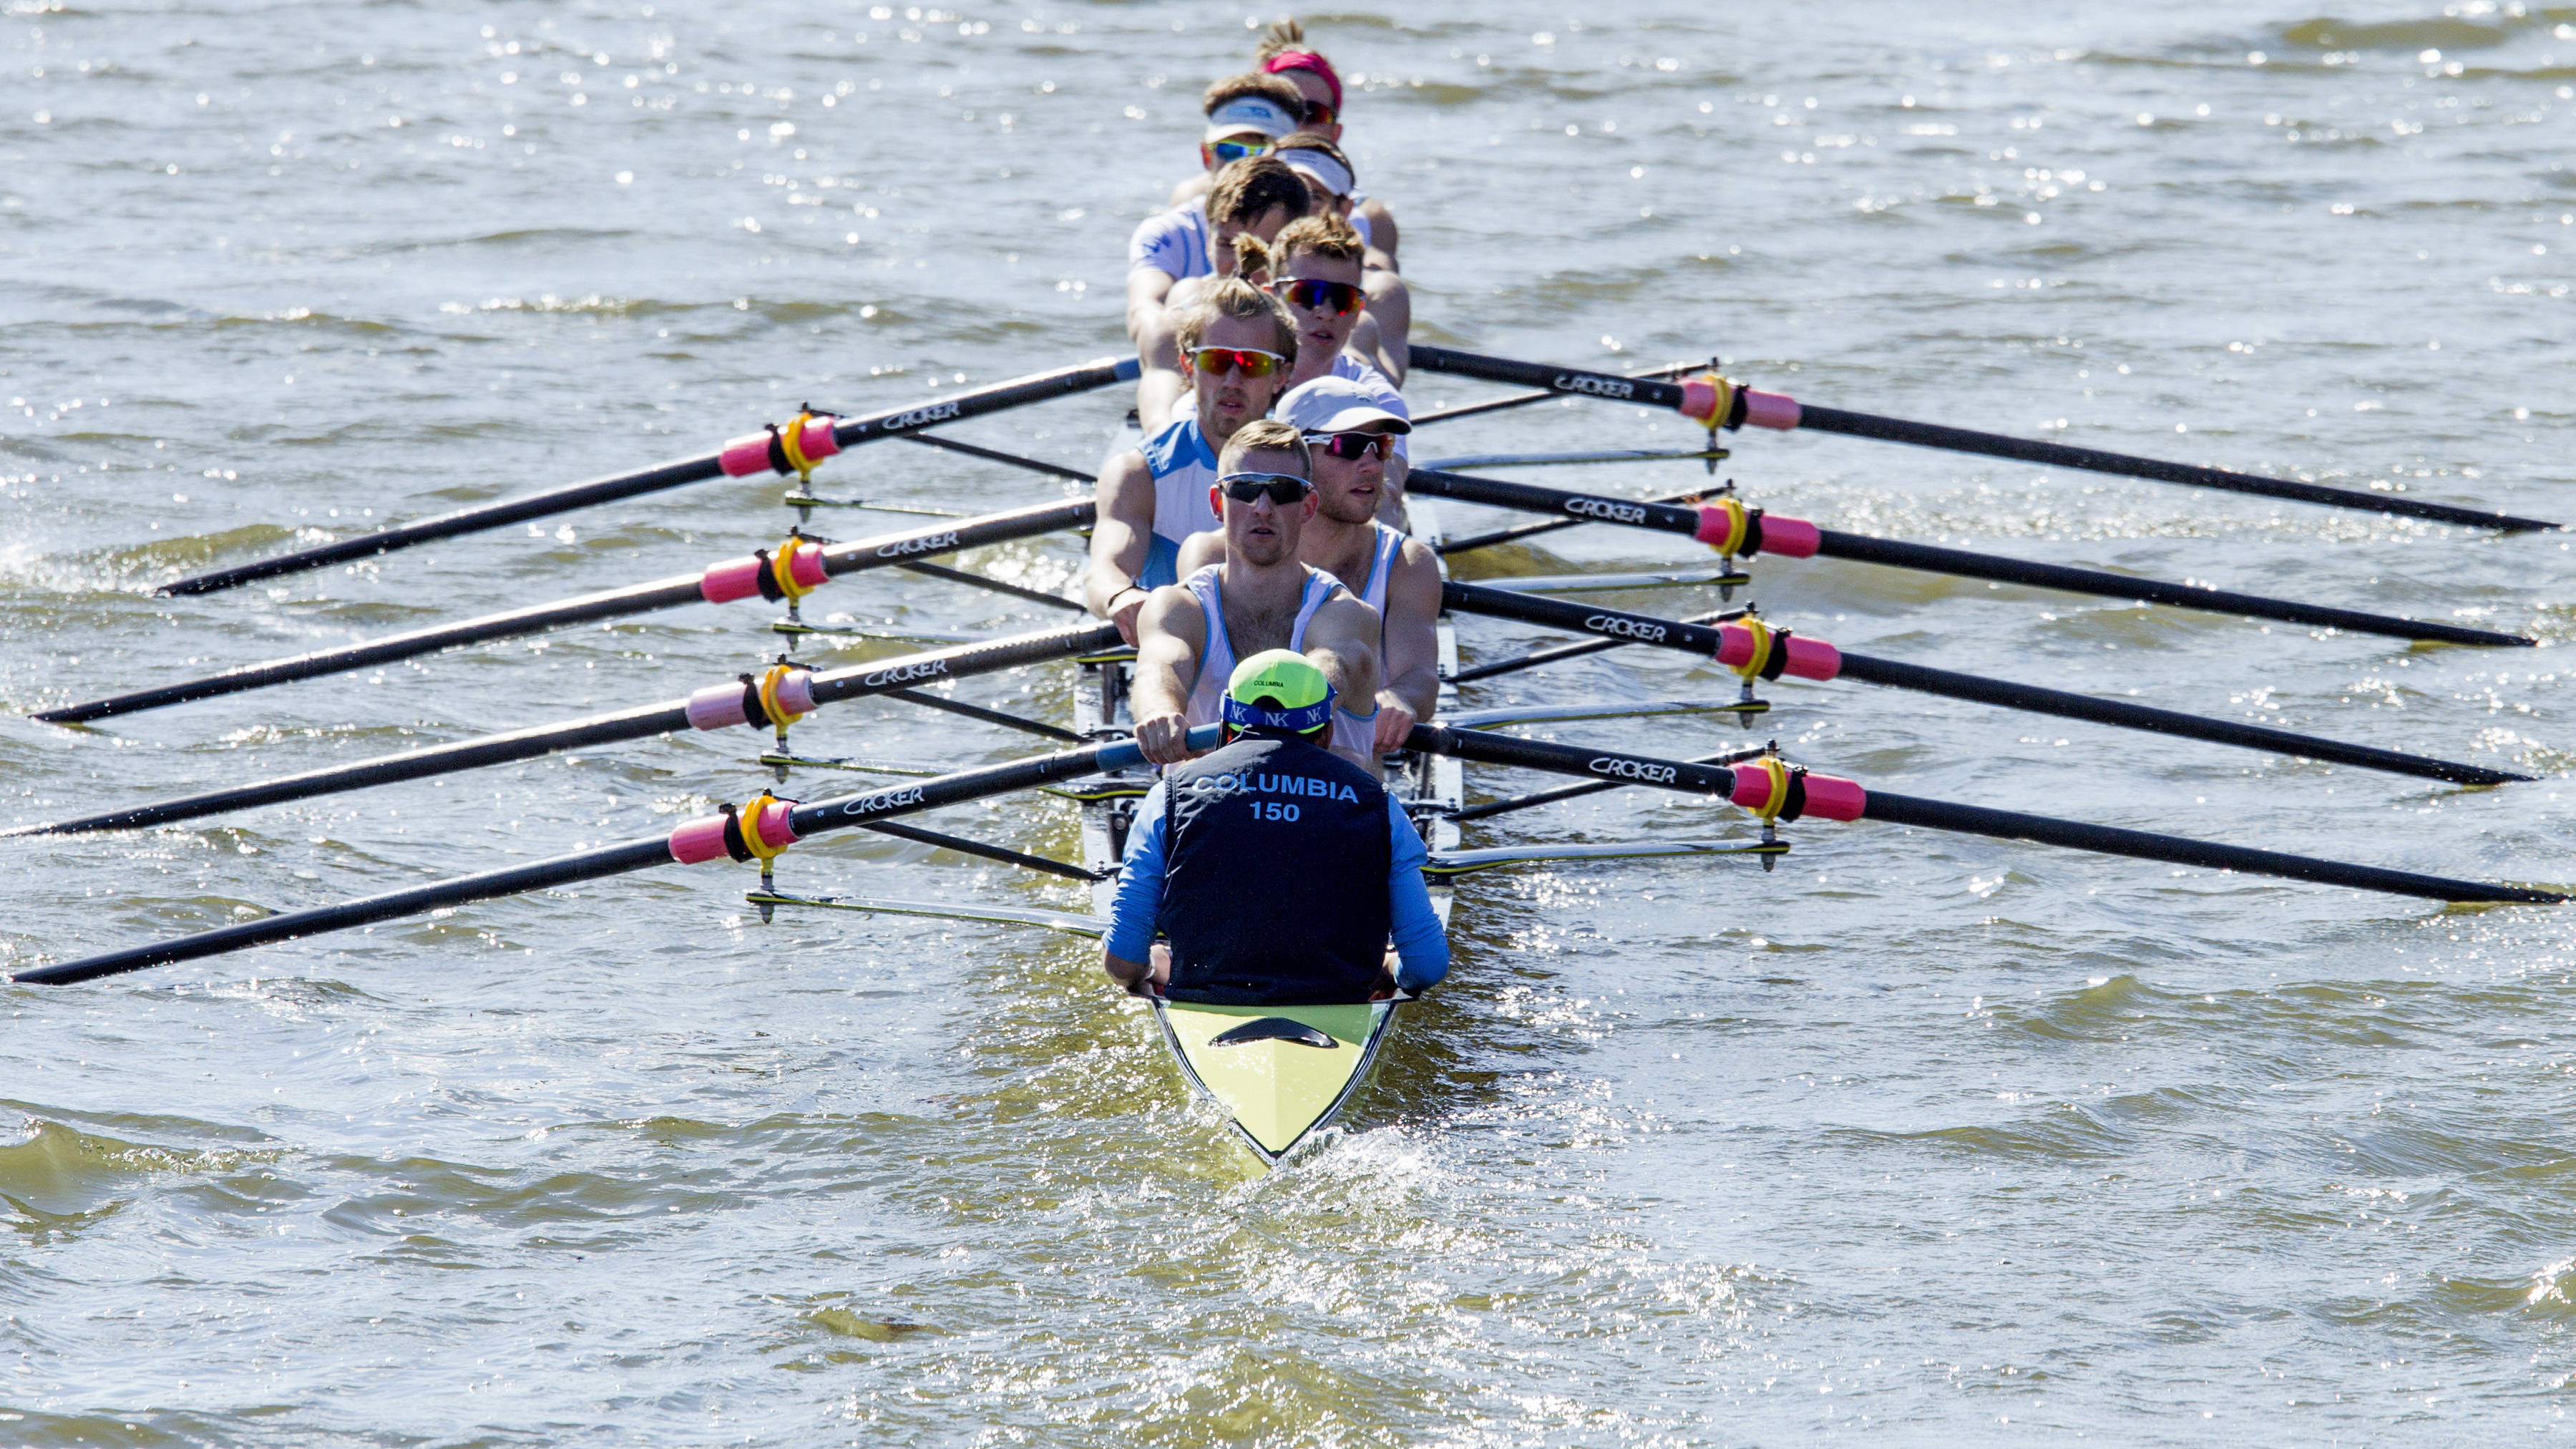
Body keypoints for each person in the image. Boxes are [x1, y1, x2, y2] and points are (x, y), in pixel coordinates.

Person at [1101, 648, 1448, 1004]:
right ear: (1327, 733)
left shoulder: (1168, 796)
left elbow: (1123, 959)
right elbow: (1427, 967)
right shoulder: (1380, 803)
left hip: (1205, 995)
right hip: (1338, 997)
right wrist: (1390, 969)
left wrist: (1150, 969)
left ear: (1225, 726)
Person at [1175, 376, 1437, 758]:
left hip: (1340, 769)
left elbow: (1422, 676)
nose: (1371, 465)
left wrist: (1400, 699)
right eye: (1347, 446)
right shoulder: (1210, 556)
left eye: (1380, 447)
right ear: (1296, 457)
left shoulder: (1408, 563)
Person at [1126, 420, 1384, 771]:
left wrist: (1295, 704)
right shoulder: (1179, 607)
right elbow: (1159, 667)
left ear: (1307, 507)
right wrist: (1159, 712)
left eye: (1282, 491)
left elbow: (1335, 660)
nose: (1263, 507)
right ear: (1218, 502)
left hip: (1326, 818)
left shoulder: (1346, 614)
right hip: (1212, 811)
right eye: (1245, 489)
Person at [1085, 280, 1300, 640]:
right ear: (1188, 364)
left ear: (1281, 376)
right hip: (1180, 655)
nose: (1232, 380)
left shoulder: (1306, 469)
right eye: (1216, 361)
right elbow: (1103, 573)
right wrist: (1121, 595)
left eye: (1252, 363)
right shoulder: (1140, 474)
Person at [1170, 21, 1403, 270]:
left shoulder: (1371, 217)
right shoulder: (1194, 198)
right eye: (1283, 110)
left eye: (1312, 112)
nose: (1297, 125)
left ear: (1336, 133)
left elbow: (1382, 287)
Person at [1126, 157, 1312, 426]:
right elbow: (1161, 428)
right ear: (1208, 242)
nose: (1242, 264)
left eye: (1264, 247)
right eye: (1228, 244)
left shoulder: (1328, 321)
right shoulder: (1172, 330)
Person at [1261, 215, 1407, 450]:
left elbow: (1389, 484)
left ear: (1358, 311)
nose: (1326, 313)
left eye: (1343, 299)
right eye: (1309, 294)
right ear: (1271, 297)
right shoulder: (1234, 377)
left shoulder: (1377, 400)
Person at [1269, 134, 1408, 379]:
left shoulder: (1379, 290)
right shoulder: (1231, 260)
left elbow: (1390, 384)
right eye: (1282, 194)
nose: (1292, 206)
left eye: (1312, 195)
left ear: (1345, 208)